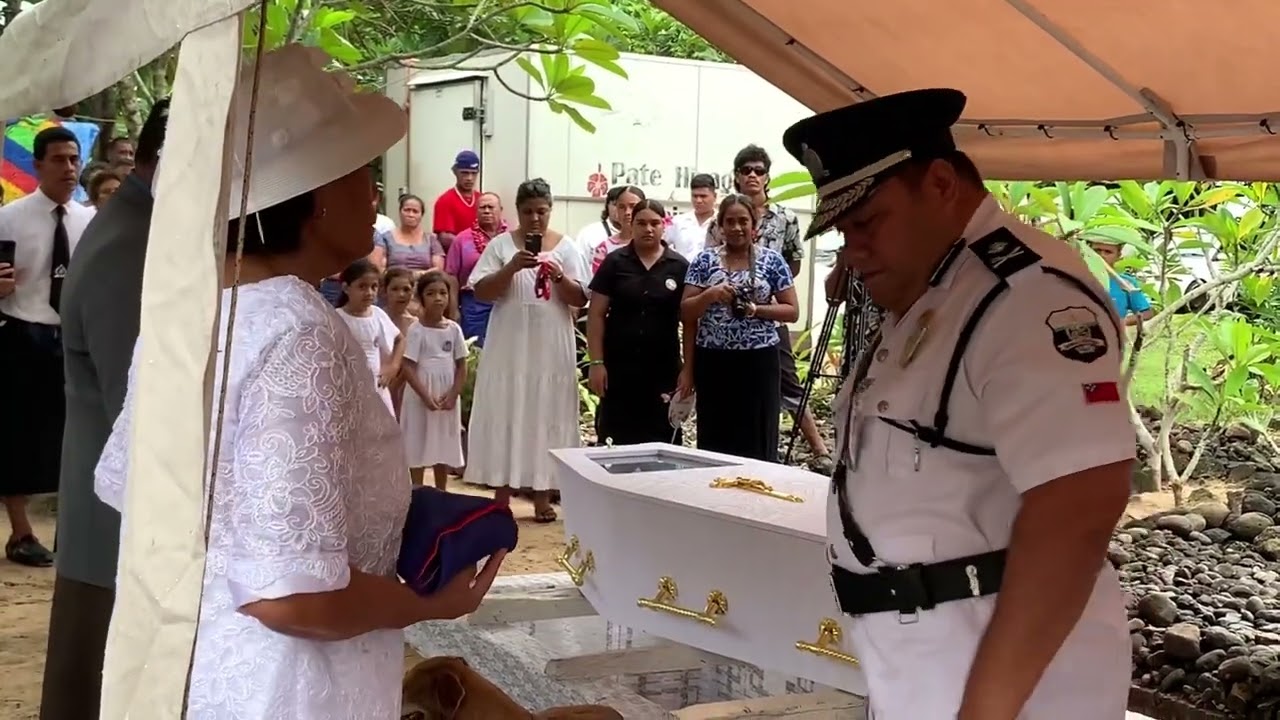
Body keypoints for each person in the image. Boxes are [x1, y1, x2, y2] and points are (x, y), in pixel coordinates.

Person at [91, 44, 504, 720]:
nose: (373, 193)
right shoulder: (299, 332)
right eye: (360, 175)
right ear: (314, 198)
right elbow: (291, 596)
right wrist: (431, 601)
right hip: (286, 684)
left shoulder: (192, 314)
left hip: (199, 659)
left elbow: (145, 499)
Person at [782, 89, 1132, 719]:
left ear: (940, 183)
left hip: (1012, 678)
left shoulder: (1025, 300)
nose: (853, 249)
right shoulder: (935, 288)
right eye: (842, 231)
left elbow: (1079, 507)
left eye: (867, 223)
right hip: (932, 654)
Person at [40, 98, 168, 720]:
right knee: (96, 684)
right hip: (113, 513)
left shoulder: (138, 226)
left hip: (114, 506)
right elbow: (138, 405)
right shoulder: (132, 246)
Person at [0, 126, 95, 568]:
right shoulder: (9, 218)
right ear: (37, 165)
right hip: (22, 332)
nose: (69, 168)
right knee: (17, 434)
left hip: (72, 338)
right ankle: (21, 532)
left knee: (73, 434)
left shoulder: (89, 221)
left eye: (74, 159)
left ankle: (71, 532)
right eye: (58, 160)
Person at [468, 178, 588, 522]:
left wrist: (560, 277)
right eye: (528, 212)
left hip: (550, 342)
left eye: (541, 211)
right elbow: (481, 293)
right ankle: (501, 495)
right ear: (517, 212)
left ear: (550, 210)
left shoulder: (567, 247)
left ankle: (543, 494)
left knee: (546, 412)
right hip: (510, 342)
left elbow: (581, 299)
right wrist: (512, 267)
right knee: (509, 408)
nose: (535, 218)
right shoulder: (501, 245)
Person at [710, 144, 834, 472]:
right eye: (746, 170)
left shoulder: (786, 217)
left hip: (770, 314)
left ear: (767, 176)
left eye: (759, 170)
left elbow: (793, 262)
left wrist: (766, 291)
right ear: (736, 176)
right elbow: (711, 263)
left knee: (787, 377)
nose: (753, 175)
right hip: (726, 324)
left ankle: (818, 447)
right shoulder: (720, 219)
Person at [681, 195, 799, 462]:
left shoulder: (772, 261)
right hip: (714, 361)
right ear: (720, 226)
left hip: (759, 360)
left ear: (753, 225)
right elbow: (686, 312)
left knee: (758, 434)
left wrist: (756, 310)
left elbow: (791, 311)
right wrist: (709, 295)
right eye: (730, 222)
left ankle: (756, 496)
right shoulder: (704, 261)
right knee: (716, 435)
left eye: (743, 221)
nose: (736, 228)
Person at [587, 199, 691, 445]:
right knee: (616, 438)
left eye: (655, 223)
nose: (648, 229)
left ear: (664, 226)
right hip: (619, 368)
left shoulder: (679, 266)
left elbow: (689, 321)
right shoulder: (615, 262)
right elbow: (596, 314)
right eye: (641, 223)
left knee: (662, 440)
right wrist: (596, 363)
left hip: (663, 368)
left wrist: (688, 370)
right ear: (631, 225)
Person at [401, 270, 467, 490]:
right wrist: (425, 396)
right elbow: (408, 366)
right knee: (417, 440)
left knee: (442, 443)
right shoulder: (416, 330)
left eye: (442, 293)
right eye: (431, 293)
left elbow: (461, 365)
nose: (438, 298)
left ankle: (442, 491)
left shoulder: (454, 329)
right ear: (421, 298)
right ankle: (417, 490)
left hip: (446, 395)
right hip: (422, 395)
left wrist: (453, 395)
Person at [336, 258, 404, 415]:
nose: (369, 292)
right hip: (348, 387)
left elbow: (400, 340)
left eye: (374, 287)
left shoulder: (378, 315)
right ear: (346, 288)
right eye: (362, 286)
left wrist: (393, 367)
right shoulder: (337, 318)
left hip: (376, 386)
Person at [444, 191, 505, 345]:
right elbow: (451, 276)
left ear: (500, 210)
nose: (486, 211)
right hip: (473, 303)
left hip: (505, 301)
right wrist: (453, 308)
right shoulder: (462, 239)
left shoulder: (510, 238)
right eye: (482, 207)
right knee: (476, 349)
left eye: (491, 207)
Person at [372, 193, 444, 274]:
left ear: (421, 215)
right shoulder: (385, 238)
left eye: (415, 211)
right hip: (393, 283)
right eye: (407, 210)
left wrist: (417, 275)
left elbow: (438, 269)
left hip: (424, 283)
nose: (410, 215)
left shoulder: (431, 240)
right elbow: (379, 268)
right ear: (400, 212)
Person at [1091, 239, 1153, 325]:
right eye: (1097, 250)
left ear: (1118, 256)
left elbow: (1146, 313)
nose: (1101, 255)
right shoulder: (1075, 279)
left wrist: (1121, 322)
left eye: (1108, 252)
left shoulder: (1126, 282)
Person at [382, 266, 417, 416]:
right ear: (384, 291)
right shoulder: (378, 318)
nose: (401, 294)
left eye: (406, 289)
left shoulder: (415, 325)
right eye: (395, 289)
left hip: (406, 386)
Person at [432, 150, 482, 252]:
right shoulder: (445, 200)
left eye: (473, 173)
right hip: (457, 258)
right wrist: (471, 249)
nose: (469, 178)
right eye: (464, 173)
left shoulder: (482, 200)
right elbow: (444, 238)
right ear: (455, 171)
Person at [589, 185, 644, 274]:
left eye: (632, 206)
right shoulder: (604, 248)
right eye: (622, 207)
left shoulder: (657, 246)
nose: (627, 212)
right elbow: (598, 284)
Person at [668, 173, 717, 260]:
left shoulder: (720, 222)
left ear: (714, 196)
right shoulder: (678, 222)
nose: (698, 200)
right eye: (695, 196)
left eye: (703, 196)